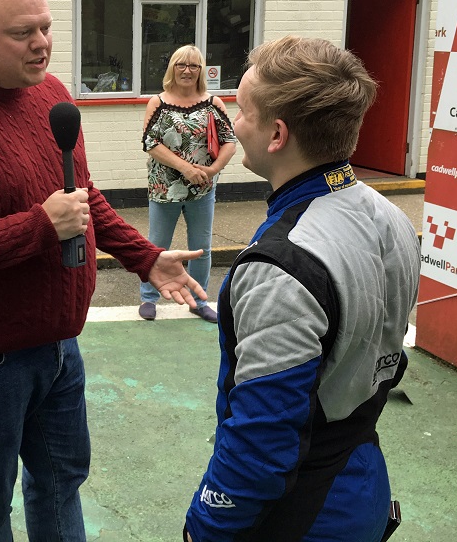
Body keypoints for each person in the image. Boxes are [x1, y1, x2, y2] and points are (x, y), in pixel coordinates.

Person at [0, 0, 206, 541]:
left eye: (46, 28)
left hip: (59, 343)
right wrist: (37, 226)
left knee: (60, 483)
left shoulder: (54, 96)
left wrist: (144, 257)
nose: (41, 43)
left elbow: (82, 201)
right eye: (22, 33)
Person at [183, 36, 420, 542]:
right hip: (363, 485)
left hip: (301, 515)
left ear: (277, 135)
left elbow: (262, 443)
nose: (231, 122)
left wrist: (203, 528)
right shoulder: (393, 218)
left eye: (242, 110)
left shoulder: (283, 265)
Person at [138, 45, 237, 323]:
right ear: (172, 67)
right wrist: (185, 168)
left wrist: (213, 169)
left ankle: (199, 300)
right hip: (163, 189)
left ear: (201, 70)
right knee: (157, 245)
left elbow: (230, 141)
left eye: (194, 66)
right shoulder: (158, 103)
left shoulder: (213, 104)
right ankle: (148, 298)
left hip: (202, 190)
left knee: (201, 248)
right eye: (182, 64)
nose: (187, 70)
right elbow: (150, 143)